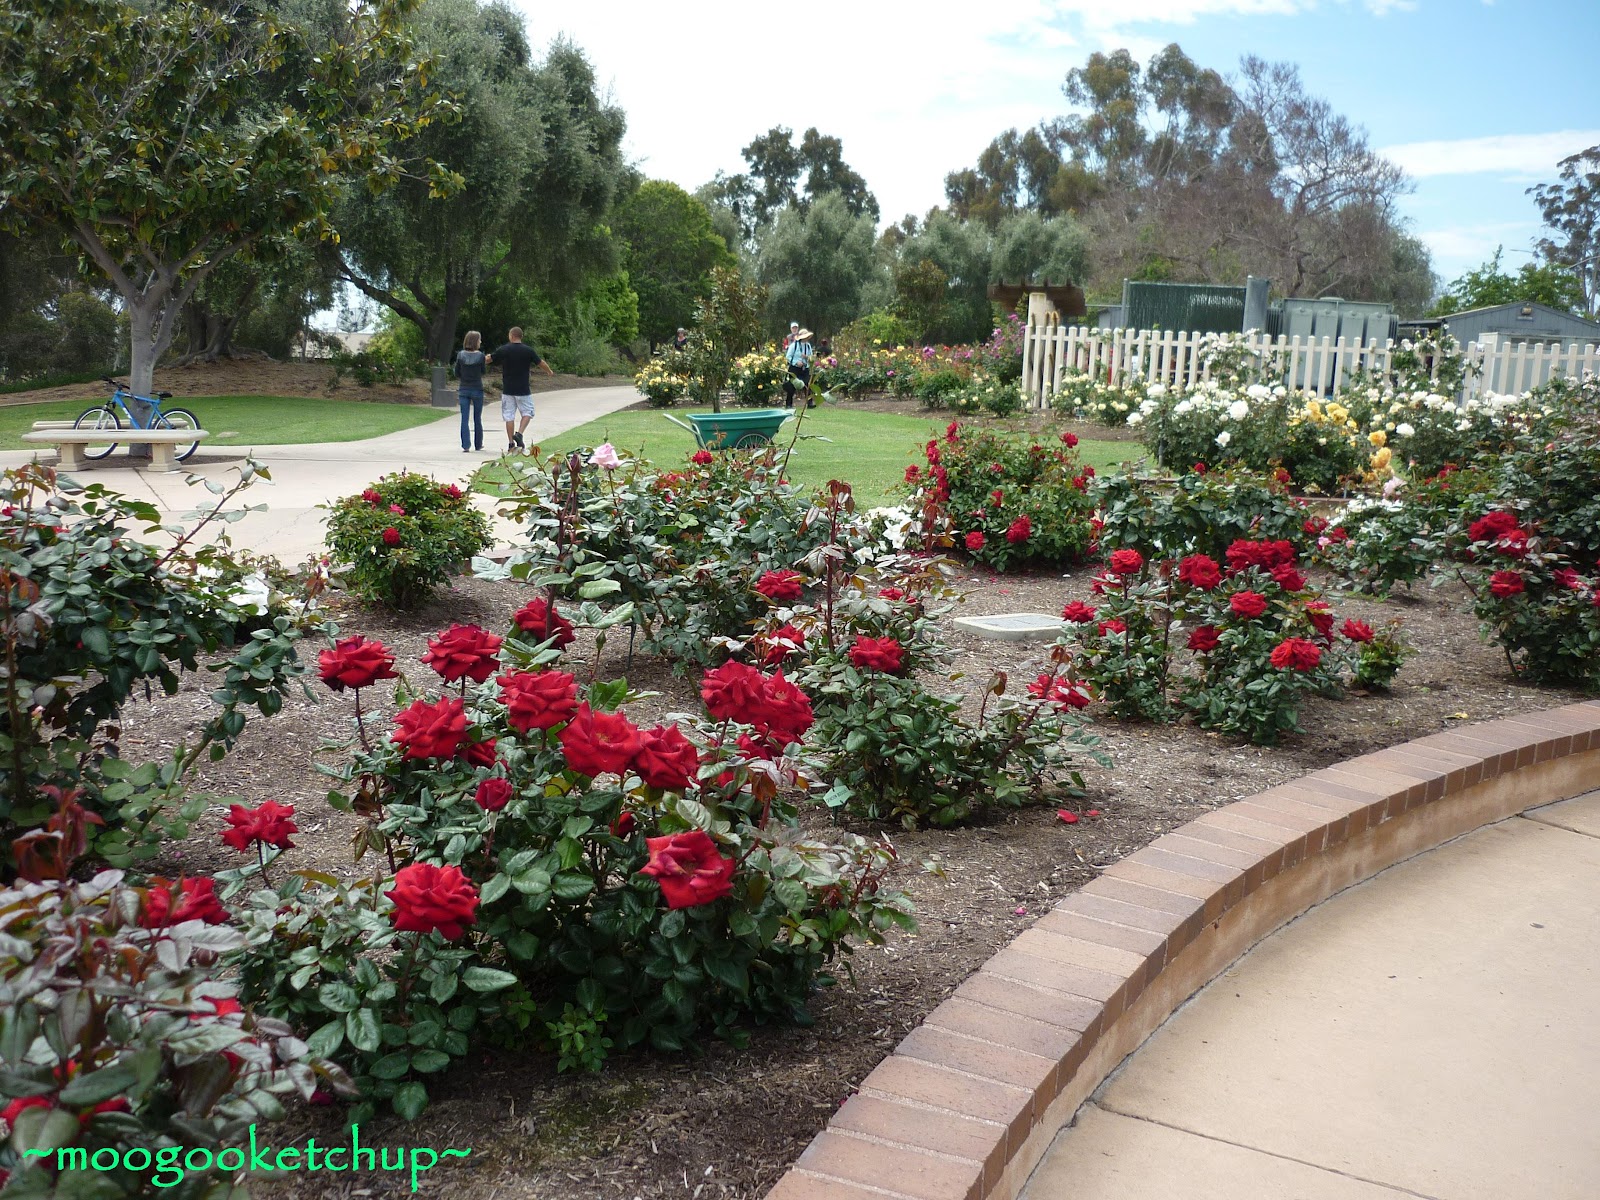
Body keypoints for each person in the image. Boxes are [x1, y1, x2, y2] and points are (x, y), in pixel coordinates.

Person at [485, 326, 553, 453]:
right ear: (521, 336)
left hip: (508, 389)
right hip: (523, 389)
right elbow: (540, 362)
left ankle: (511, 444)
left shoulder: (504, 349)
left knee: (509, 416)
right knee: (528, 412)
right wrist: (549, 371)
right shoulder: (528, 350)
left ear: (511, 336)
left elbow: (489, 359)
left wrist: (477, 361)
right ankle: (520, 433)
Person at [452, 331, 487, 452]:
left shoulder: (460, 355)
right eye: (479, 340)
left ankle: (466, 445)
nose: (480, 342)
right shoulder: (481, 356)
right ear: (475, 341)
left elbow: (456, 372)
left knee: (464, 418)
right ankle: (478, 444)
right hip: (477, 388)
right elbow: (483, 371)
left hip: (464, 388)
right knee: (477, 417)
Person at [783, 326, 814, 409]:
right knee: (791, 386)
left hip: (805, 368)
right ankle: (788, 404)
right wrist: (796, 362)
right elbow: (788, 357)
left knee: (807, 385)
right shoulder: (794, 345)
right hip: (794, 368)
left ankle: (810, 403)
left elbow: (811, 357)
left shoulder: (808, 346)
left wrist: (806, 357)